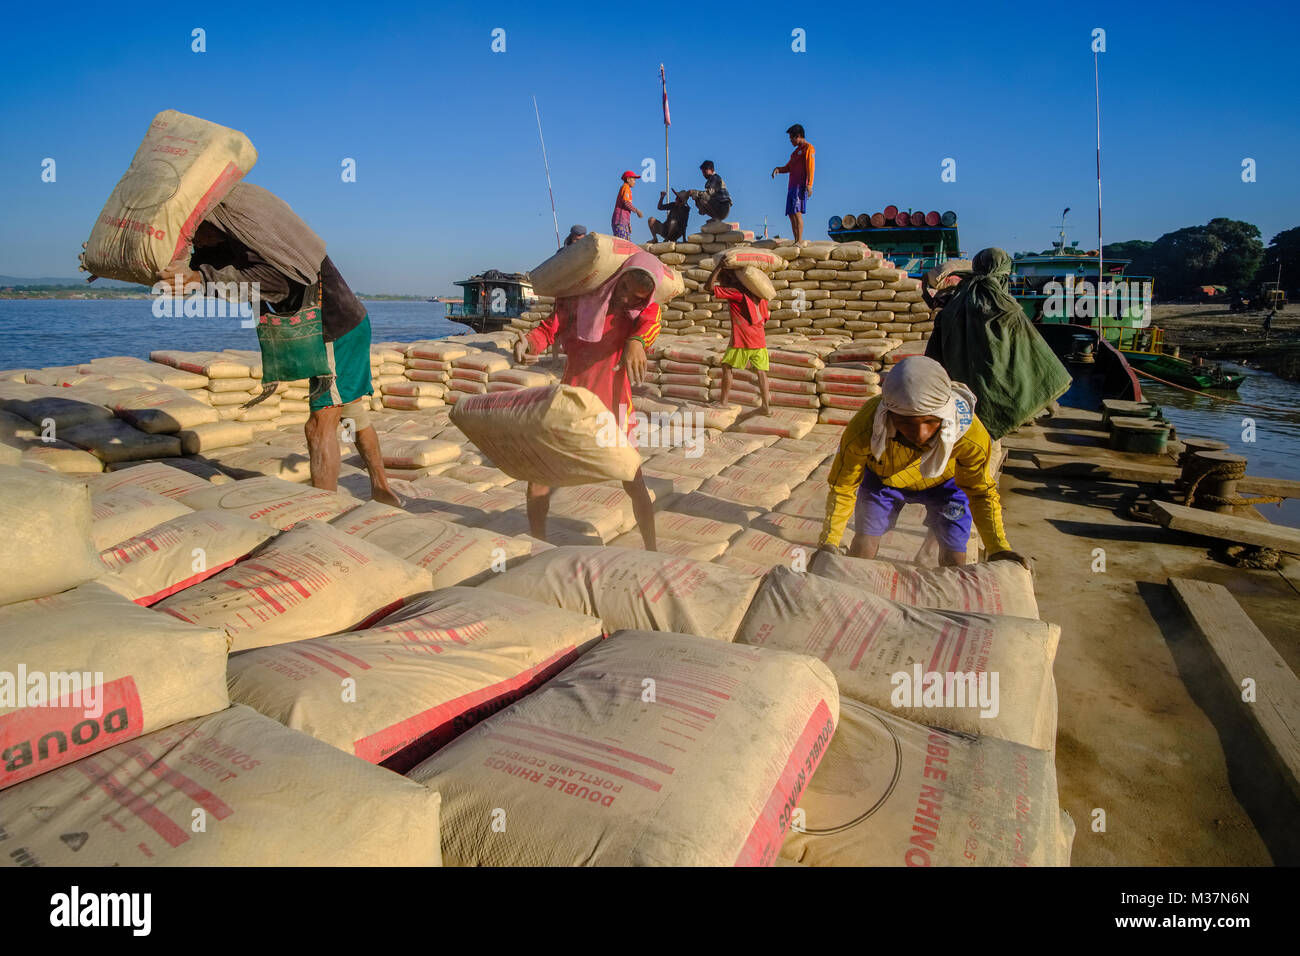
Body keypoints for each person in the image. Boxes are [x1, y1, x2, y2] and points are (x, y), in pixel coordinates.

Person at [157, 184, 398, 506]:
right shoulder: (228, 242)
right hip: (349, 325)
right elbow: (186, 267)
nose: (192, 242)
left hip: (334, 329)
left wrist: (201, 280)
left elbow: (277, 282)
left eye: (194, 234)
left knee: (319, 424)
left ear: (214, 224)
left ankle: (322, 512)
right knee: (352, 413)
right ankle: (383, 492)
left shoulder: (257, 243)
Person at [513, 252, 665, 549]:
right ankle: (538, 545)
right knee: (539, 476)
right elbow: (548, 328)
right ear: (616, 279)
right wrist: (527, 342)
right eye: (624, 289)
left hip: (614, 408)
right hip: (572, 402)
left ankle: (652, 549)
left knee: (633, 482)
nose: (625, 300)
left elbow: (651, 324)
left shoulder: (640, 315)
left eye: (636, 298)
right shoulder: (580, 303)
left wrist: (636, 342)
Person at [818, 356, 1026, 569]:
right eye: (906, 422)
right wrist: (829, 542)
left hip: (947, 485)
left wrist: (998, 548)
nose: (920, 434)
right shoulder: (867, 427)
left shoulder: (968, 434)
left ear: (945, 415)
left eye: (930, 421)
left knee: (954, 558)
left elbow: (980, 492)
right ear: (889, 414)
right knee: (864, 545)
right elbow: (843, 486)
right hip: (883, 481)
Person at [925, 248, 1071, 440]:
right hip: (998, 374)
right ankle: (1015, 416)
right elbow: (1033, 352)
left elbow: (936, 349)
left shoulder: (956, 301)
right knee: (1017, 370)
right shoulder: (1004, 304)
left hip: (967, 381)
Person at [705, 260, 771, 416]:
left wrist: (718, 267)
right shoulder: (758, 292)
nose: (721, 280)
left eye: (723, 277)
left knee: (727, 366)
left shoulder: (735, 291)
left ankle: (723, 402)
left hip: (742, 338)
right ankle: (767, 407)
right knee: (761, 372)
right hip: (759, 337)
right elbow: (765, 316)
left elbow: (708, 288)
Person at [771, 124, 814, 242]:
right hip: (791, 186)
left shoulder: (808, 148)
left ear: (798, 136)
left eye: (791, 138)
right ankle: (796, 240)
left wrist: (809, 184)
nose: (790, 141)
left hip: (800, 186)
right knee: (791, 214)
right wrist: (779, 169)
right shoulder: (795, 153)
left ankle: (800, 241)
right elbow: (788, 167)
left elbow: (810, 167)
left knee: (797, 213)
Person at [611, 171, 643, 240]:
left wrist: (628, 224)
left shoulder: (627, 189)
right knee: (623, 243)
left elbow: (626, 211)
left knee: (627, 243)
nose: (635, 182)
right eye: (633, 179)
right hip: (620, 221)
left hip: (623, 222)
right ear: (628, 179)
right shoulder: (625, 187)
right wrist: (637, 211)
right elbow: (626, 203)